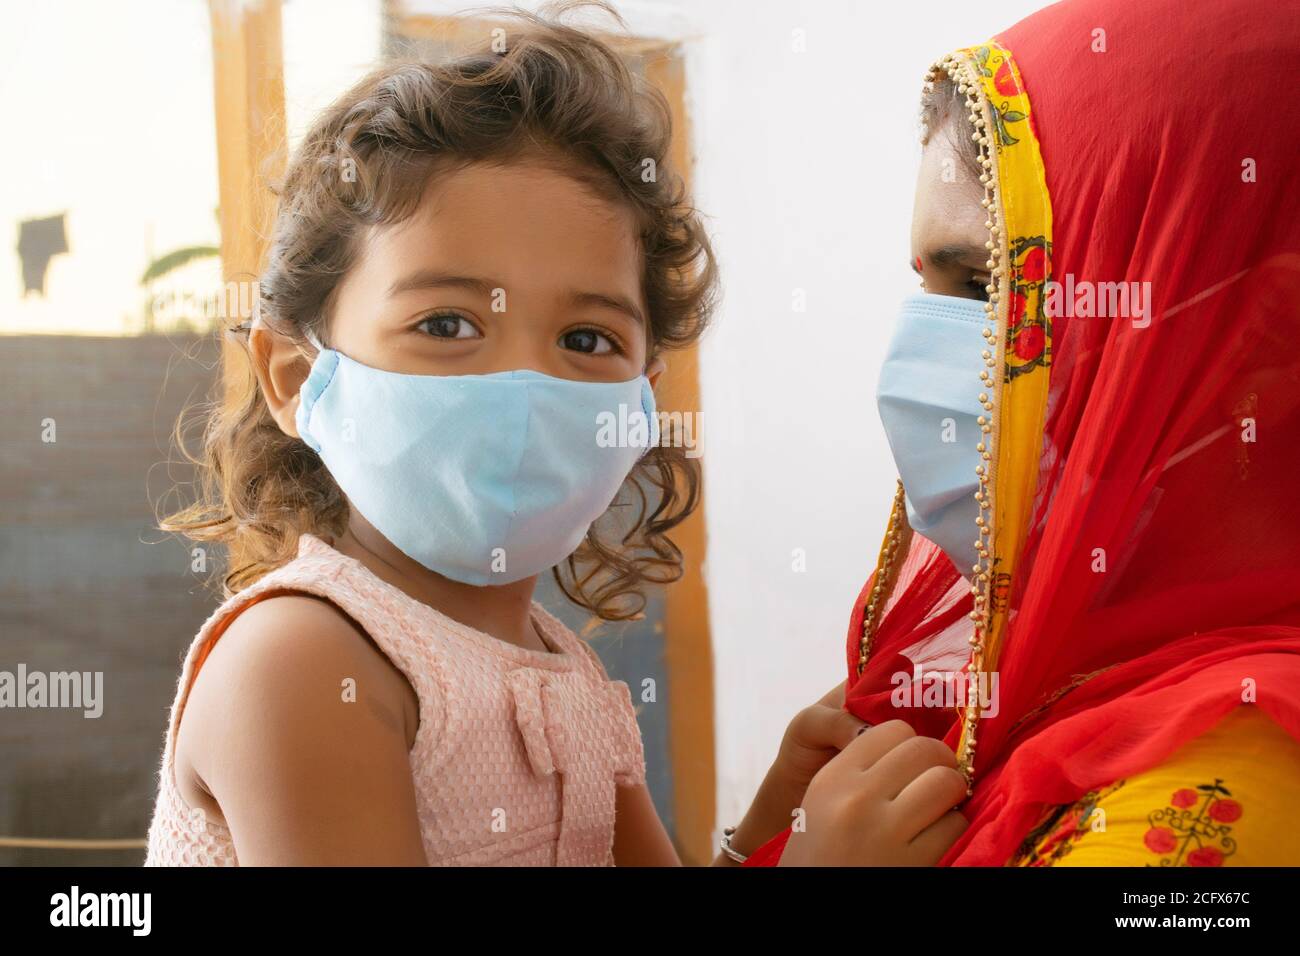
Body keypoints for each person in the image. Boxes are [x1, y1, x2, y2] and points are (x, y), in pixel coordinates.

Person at [144, 4, 964, 867]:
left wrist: (768, 833)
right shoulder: (300, 663)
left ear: (641, 407)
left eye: (585, 340)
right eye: (448, 323)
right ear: (297, 380)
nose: (521, 388)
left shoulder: (557, 667)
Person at [753, 0, 1300, 866]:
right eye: (930, 284)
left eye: (987, 285)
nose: (920, 356)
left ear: (1262, 339)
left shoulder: (1235, 788)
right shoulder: (1011, 681)